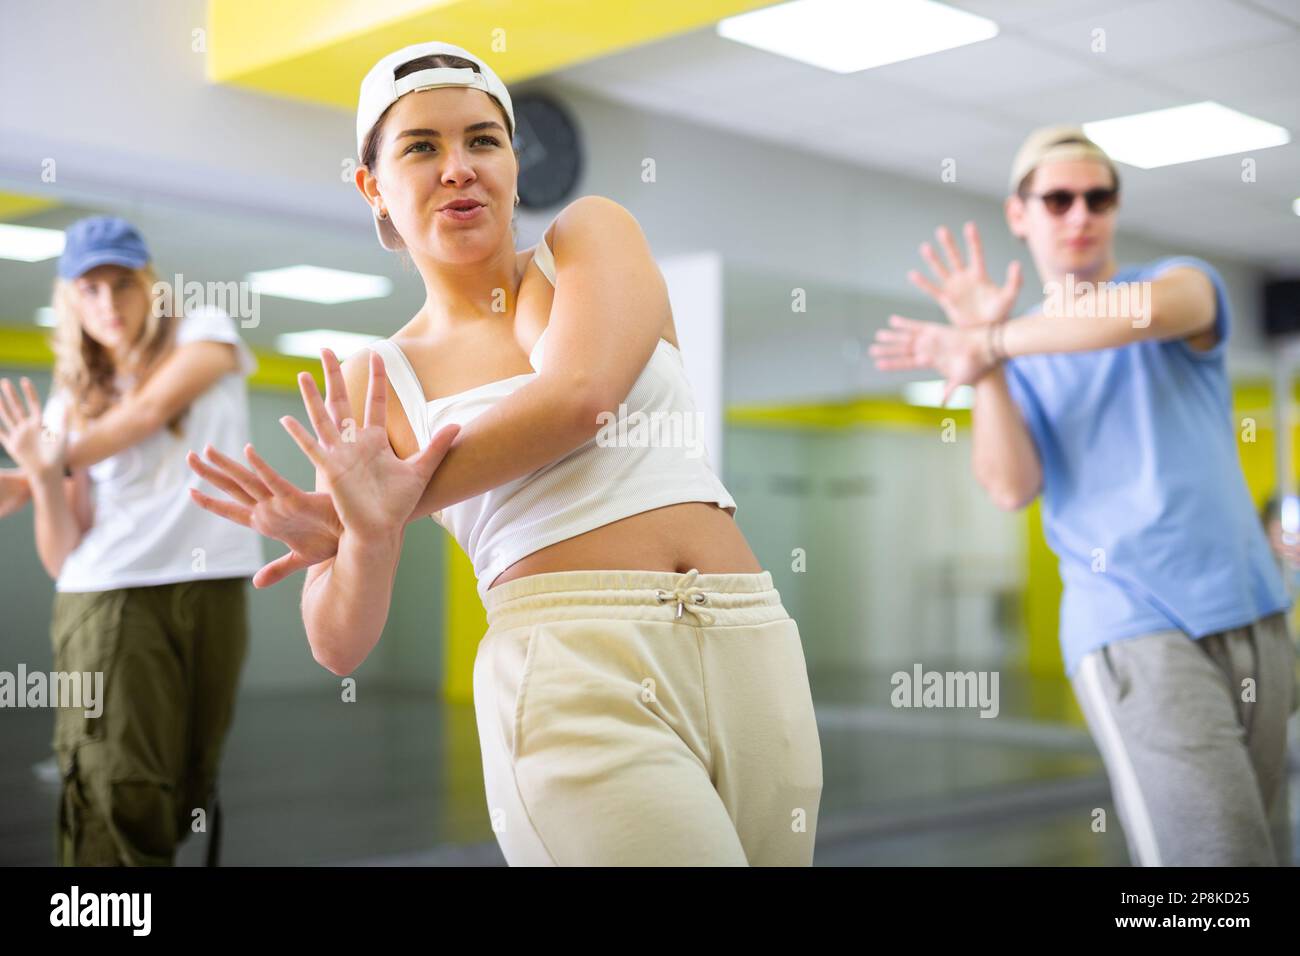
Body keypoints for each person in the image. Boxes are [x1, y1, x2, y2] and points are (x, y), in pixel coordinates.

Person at [186, 41, 822, 866]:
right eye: (422, 146)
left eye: (483, 140)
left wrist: (386, 505)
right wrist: (368, 538)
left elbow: (580, 398)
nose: (459, 166)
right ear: (372, 185)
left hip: (749, 638)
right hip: (573, 671)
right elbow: (337, 643)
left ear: (516, 165)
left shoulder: (593, 236)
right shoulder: (372, 380)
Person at [870, 126, 1297, 866]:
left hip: (1255, 616)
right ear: (1020, 214)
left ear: (1116, 208)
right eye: (1058, 198)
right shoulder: (1017, 357)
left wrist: (990, 338)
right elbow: (1010, 486)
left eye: (1097, 198)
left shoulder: (1183, 286)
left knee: (1257, 844)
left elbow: (1120, 320)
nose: (1079, 215)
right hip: (1136, 627)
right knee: (1214, 866)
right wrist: (987, 369)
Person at [0, 215, 263, 865]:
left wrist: (47, 465)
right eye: (88, 290)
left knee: (189, 783)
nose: (108, 303)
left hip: (215, 585)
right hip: (111, 597)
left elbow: (146, 414)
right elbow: (63, 552)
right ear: (69, 299)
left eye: (122, 283)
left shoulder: (205, 330)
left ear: (151, 285)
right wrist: (44, 475)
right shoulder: (69, 401)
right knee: (118, 790)